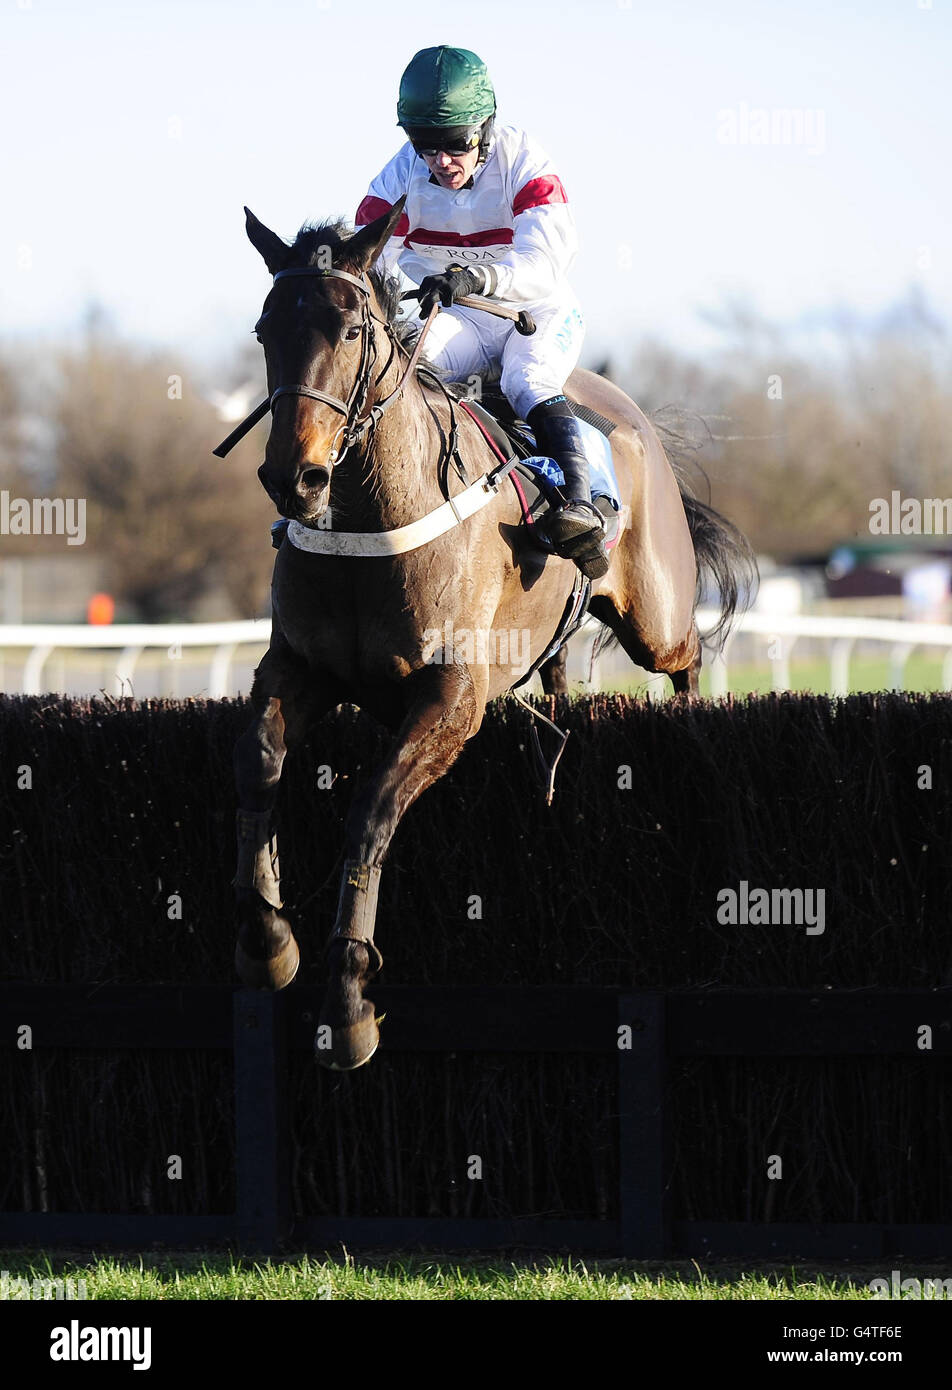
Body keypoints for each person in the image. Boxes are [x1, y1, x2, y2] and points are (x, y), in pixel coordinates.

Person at [355, 45, 609, 579]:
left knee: (526, 379)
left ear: (486, 127)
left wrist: (478, 277)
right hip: (462, 316)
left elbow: (548, 259)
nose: (440, 162)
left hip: (535, 311)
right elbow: (368, 252)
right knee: (403, 374)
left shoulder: (525, 160)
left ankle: (583, 504)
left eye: (455, 144)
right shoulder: (400, 174)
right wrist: (421, 280)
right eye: (425, 146)